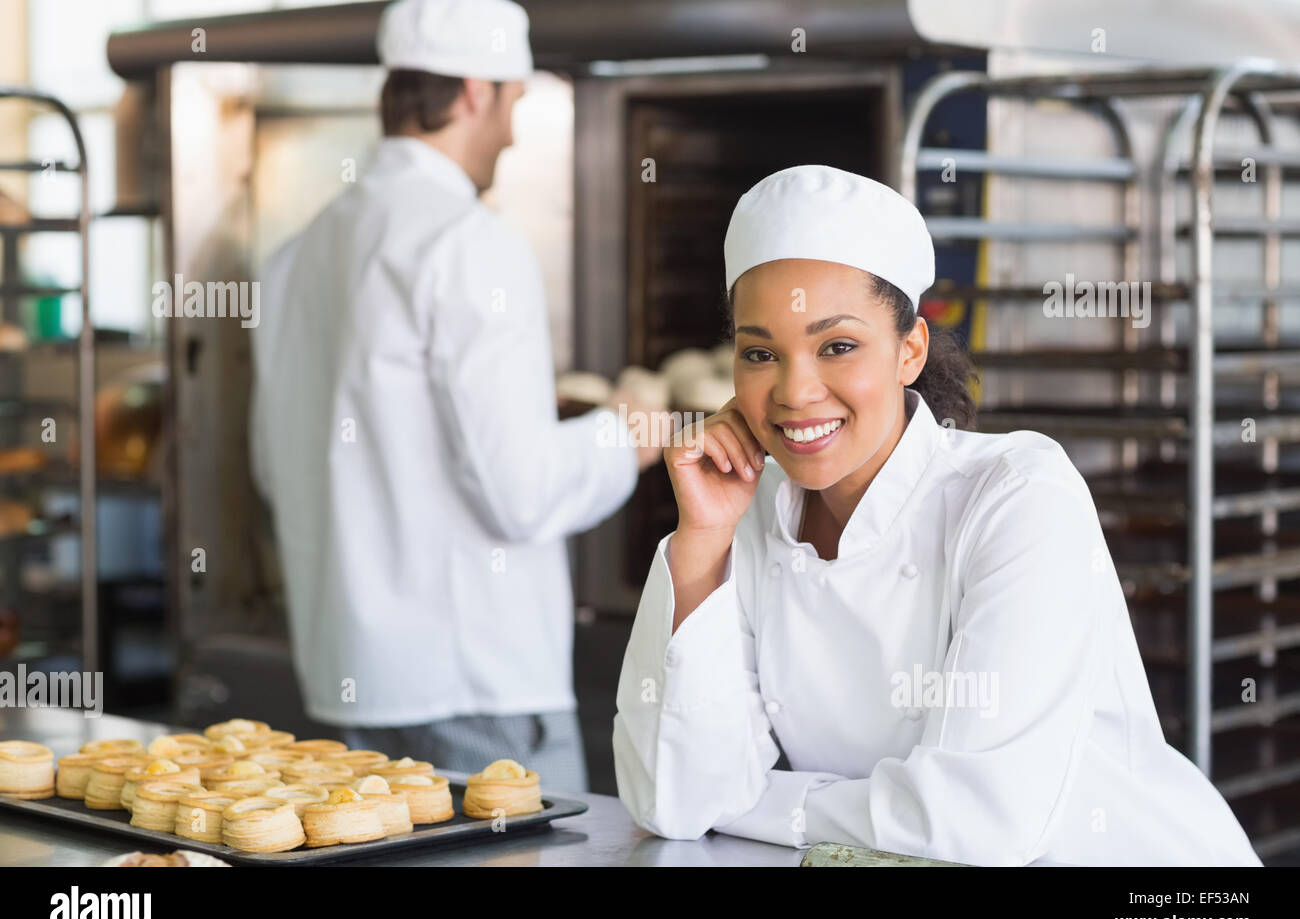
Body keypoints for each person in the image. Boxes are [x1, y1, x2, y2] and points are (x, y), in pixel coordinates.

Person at [612, 164, 1262, 865]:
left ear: (909, 350)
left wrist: (760, 801)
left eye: (837, 345)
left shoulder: (1016, 496)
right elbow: (669, 799)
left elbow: (978, 820)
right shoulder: (743, 515)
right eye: (761, 352)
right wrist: (702, 540)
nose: (795, 391)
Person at [249, 0, 662, 792]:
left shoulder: (295, 255)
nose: (512, 131)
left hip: (351, 683)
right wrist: (626, 436)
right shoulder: (470, 241)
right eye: (514, 102)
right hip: (478, 690)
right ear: (475, 91)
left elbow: (277, 468)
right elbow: (523, 492)